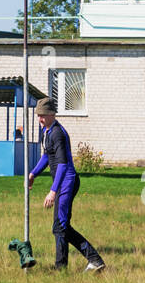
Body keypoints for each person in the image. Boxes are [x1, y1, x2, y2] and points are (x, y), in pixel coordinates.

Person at [27, 98, 105, 273]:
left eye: (43, 115)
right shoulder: (46, 131)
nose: (40, 119)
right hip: (61, 183)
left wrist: (53, 192)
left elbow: (62, 164)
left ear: (52, 114)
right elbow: (47, 156)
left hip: (67, 182)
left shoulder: (57, 134)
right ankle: (89, 262)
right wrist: (33, 174)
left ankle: (72, 265)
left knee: (60, 226)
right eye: (38, 115)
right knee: (60, 227)